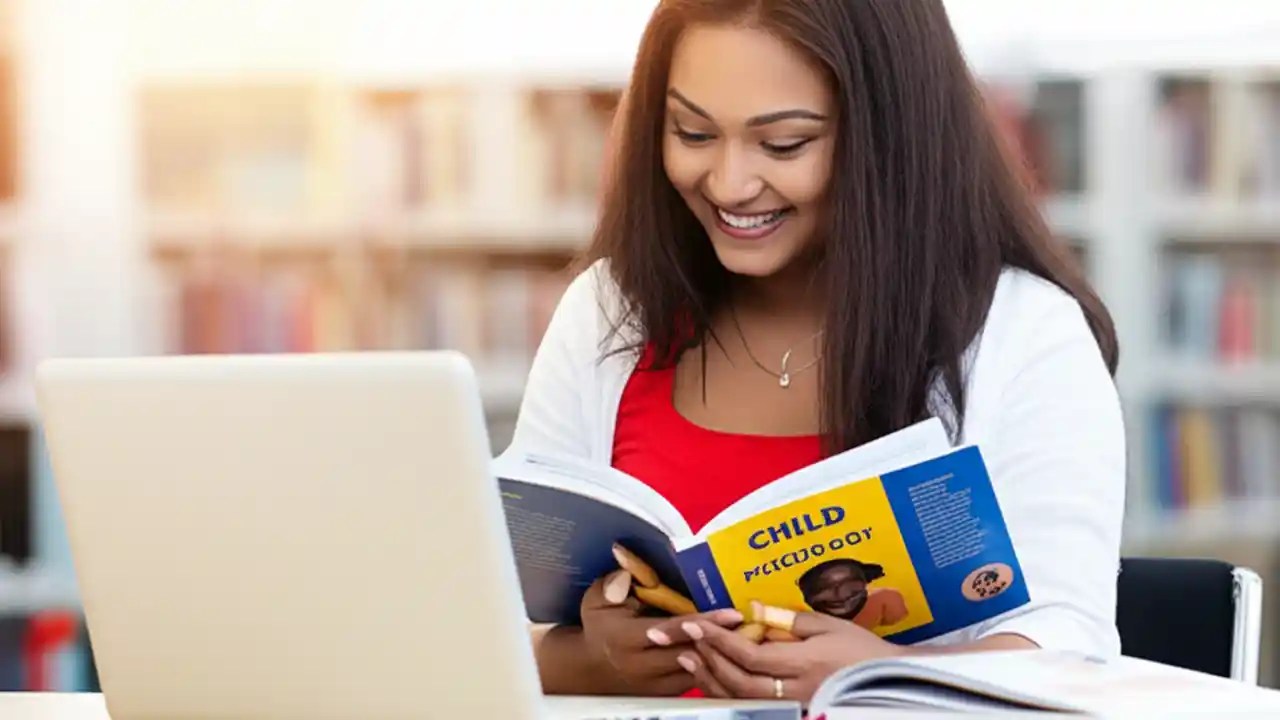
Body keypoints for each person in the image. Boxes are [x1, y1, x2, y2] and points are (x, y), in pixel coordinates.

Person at [512, 0, 1125, 703]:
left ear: (888, 138)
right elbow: (497, 632)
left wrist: (875, 681)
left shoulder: (1025, 332)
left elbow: (1073, 653)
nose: (730, 184)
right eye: (693, 132)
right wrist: (597, 660)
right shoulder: (609, 310)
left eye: (783, 145)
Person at [795, 559, 908, 631]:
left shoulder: (885, 599)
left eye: (849, 584)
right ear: (805, 596)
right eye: (822, 587)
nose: (840, 594)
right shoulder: (803, 625)